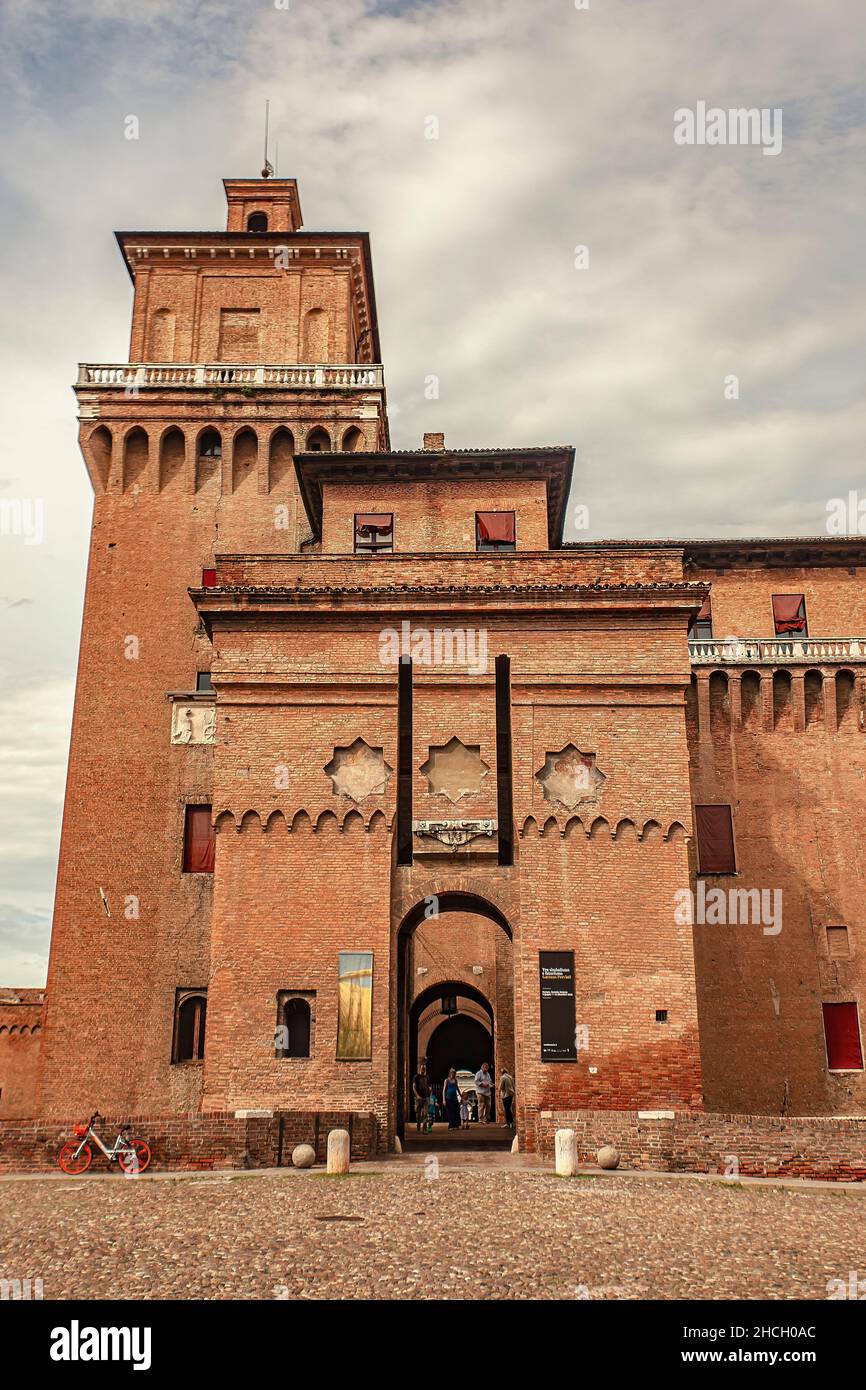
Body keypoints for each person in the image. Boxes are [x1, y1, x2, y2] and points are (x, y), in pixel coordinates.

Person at [412, 1061, 430, 1132]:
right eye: (422, 1068)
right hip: (418, 1098)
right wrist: (417, 1095)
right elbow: (413, 1087)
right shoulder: (416, 1077)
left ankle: (424, 1128)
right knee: (418, 1113)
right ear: (419, 1069)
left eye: (424, 1069)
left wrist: (429, 1091)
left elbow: (428, 1086)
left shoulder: (426, 1077)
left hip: (425, 1097)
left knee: (425, 1113)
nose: (423, 1070)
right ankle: (418, 1124)